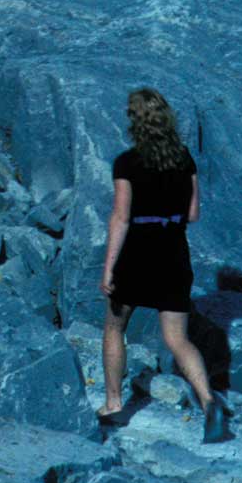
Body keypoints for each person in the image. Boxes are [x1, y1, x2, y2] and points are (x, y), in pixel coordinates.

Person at [99, 86, 232, 443]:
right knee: (178, 338)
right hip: (174, 254)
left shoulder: (126, 163)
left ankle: (114, 405)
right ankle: (209, 403)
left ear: (134, 121)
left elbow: (120, 218)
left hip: (137, 256)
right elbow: (193, 212)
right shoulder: (184, 158)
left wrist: (109, 267)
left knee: (115, 328)